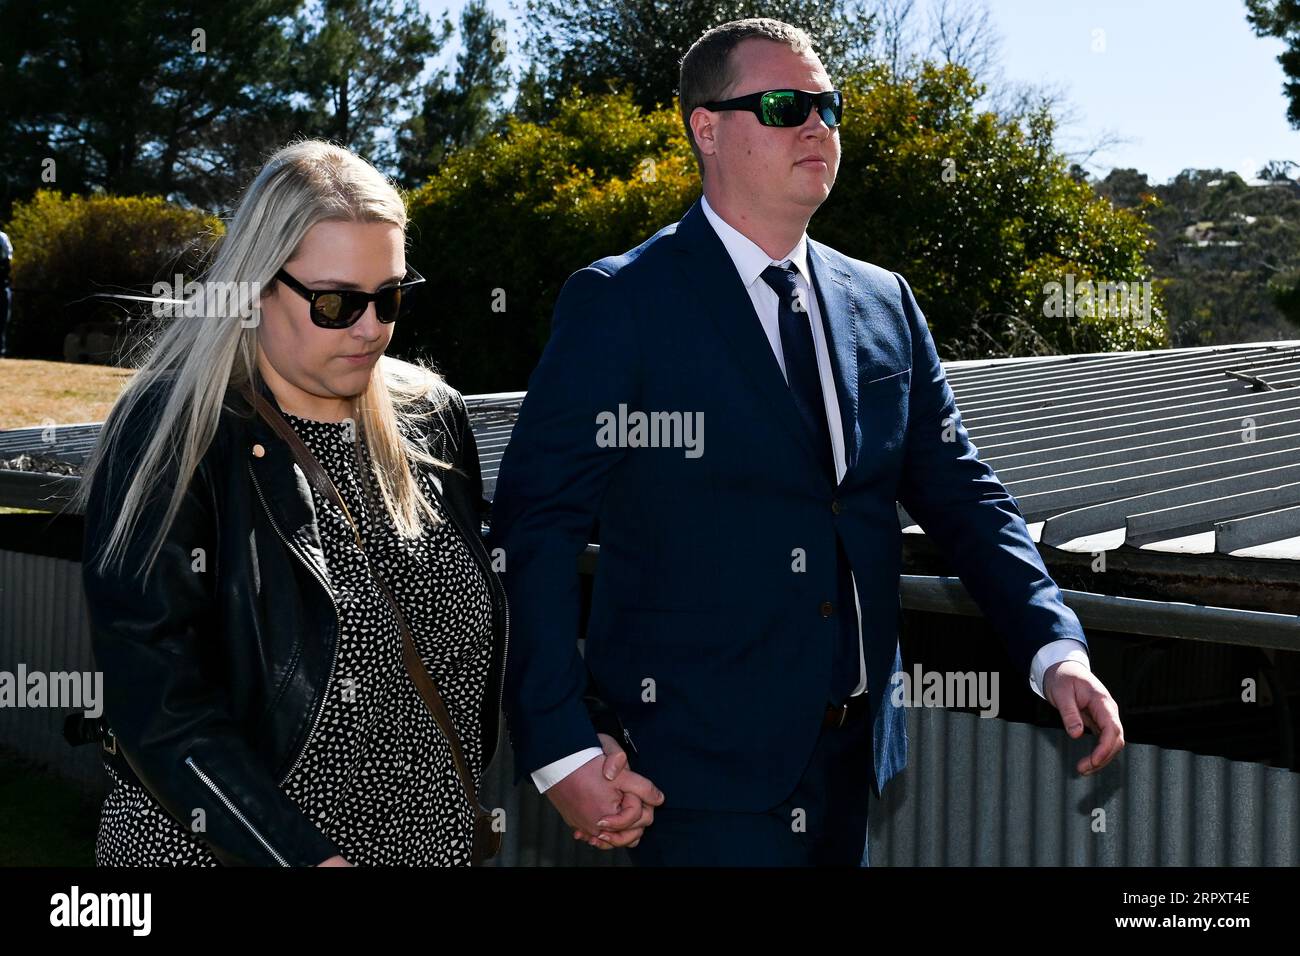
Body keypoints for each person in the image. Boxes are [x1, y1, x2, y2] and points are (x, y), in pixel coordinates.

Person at [489, 18, 1125, 866]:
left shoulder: (884, 301)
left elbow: (963, 494)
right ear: (705, 128)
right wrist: (562, 744)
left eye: (828, 105)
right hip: (690, 778)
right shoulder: (624, 302)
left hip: (851, 765)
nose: (817, 125)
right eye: (786, 105)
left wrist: (1055, 646)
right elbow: (537, 529)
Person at [75, 139, 656, 866]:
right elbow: (154, 702)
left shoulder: (429, 416)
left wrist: (583, 740)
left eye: (390, 297)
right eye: (335, 302)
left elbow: (479, 620)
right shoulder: (175, 429)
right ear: (254, 285)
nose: (370, 328)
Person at [0, 228, 12, 357]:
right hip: (3, 286)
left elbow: (7, 262)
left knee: (2, 320)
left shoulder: (1, 237)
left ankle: (1, 352)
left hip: (2, 285)